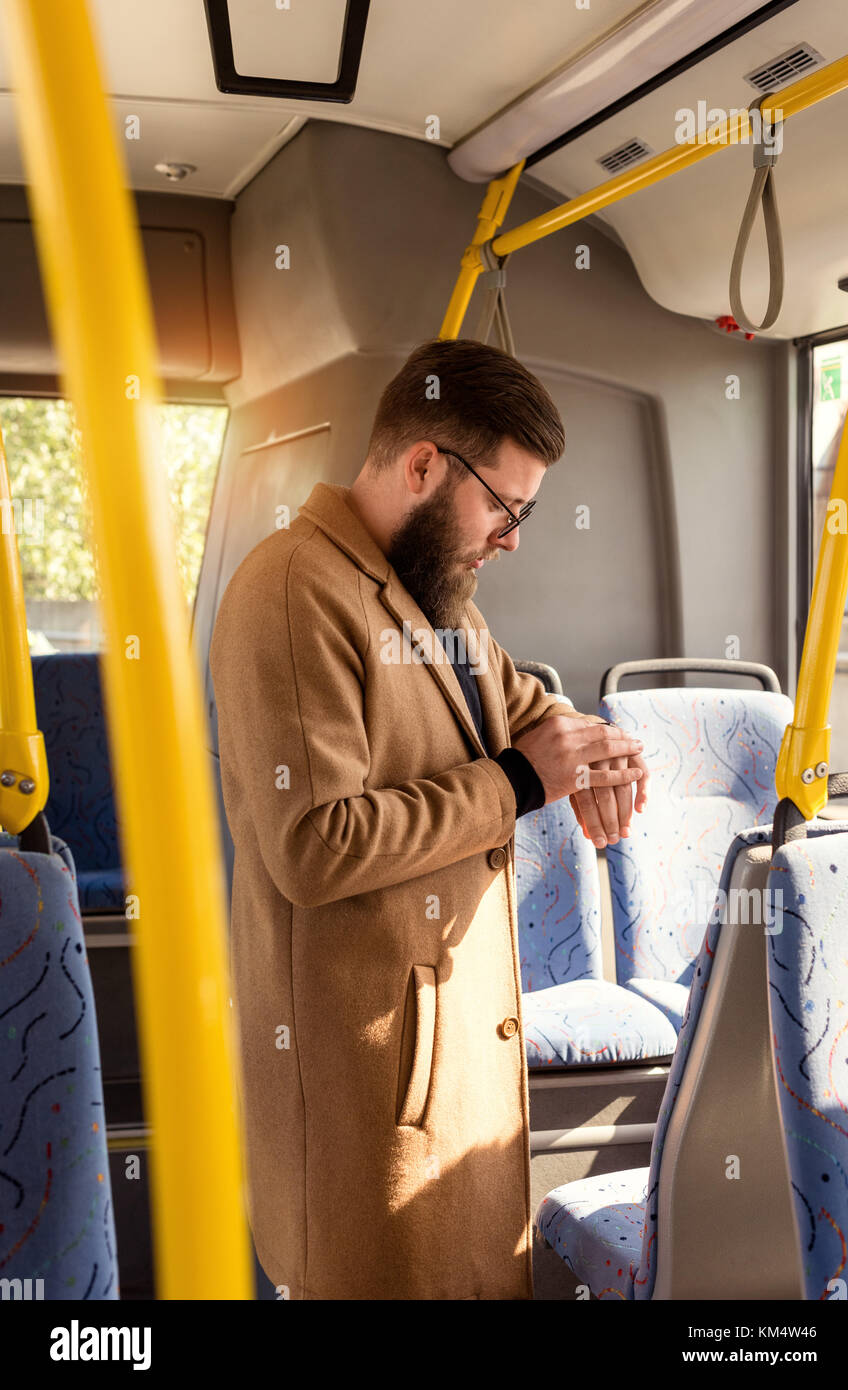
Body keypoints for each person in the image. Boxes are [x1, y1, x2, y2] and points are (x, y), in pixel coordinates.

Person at [208, 338, 649, 1300]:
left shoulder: (438, 601)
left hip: (449, 1063)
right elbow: (314, 848)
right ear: (422, 466)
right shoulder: (293, 591)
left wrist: (595, 747)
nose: (513, 536)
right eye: (505, 504)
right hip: (367, 1091)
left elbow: (520, 708)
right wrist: (521, 786)